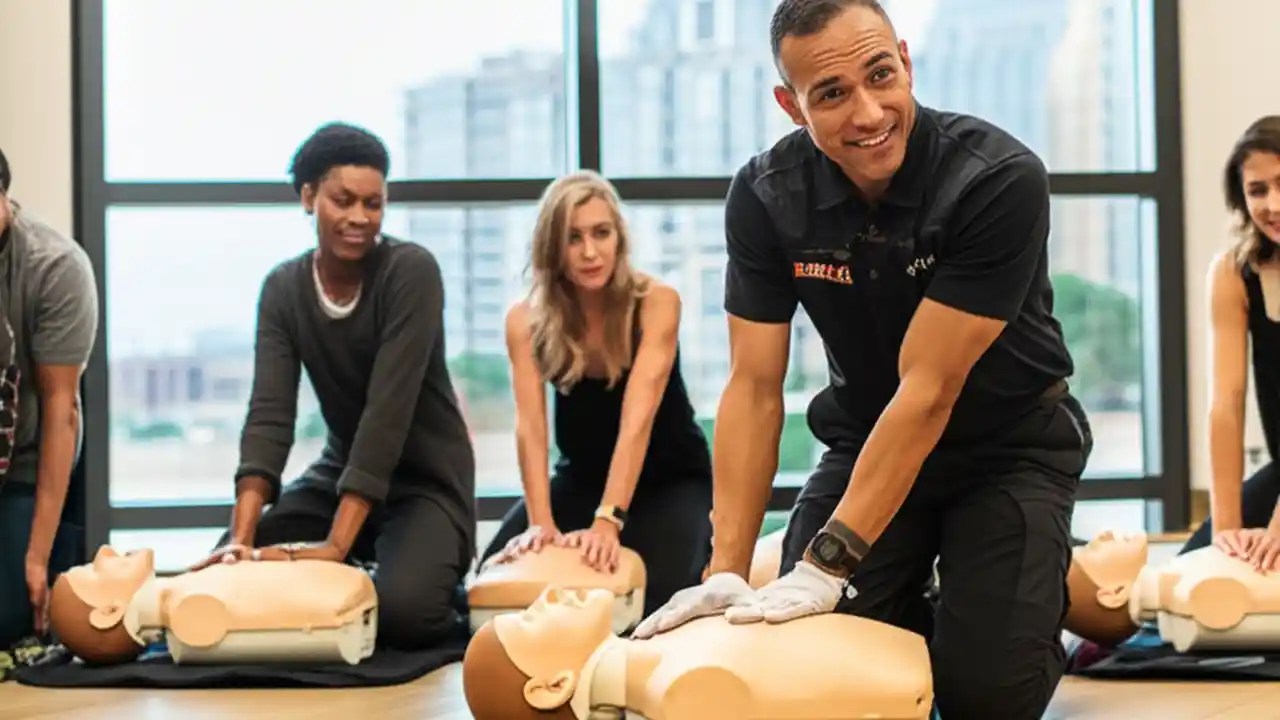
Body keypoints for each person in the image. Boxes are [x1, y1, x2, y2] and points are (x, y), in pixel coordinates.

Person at [633, 2, 1090, 718]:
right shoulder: (763, 195)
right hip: (865, 443)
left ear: (905, 62)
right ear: (791, 106)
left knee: (986, 696)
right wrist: (725, 569)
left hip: (1008, 450)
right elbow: (754, 388)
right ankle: (943, 594)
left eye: (881, 75)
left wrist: (829, 564)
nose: (869, 112)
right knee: (808, 671)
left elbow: (929, 390)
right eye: (832, 94)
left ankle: (1027, 588)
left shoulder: (997, 178)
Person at [188, 122, 476, 650]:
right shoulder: (283, 289)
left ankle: (408, 575)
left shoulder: (411, 272)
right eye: (343, 201)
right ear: (308, 197)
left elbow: (386, 417)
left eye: (374, 204)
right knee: (225, 582)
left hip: (425, 482)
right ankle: (364, 568)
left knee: (408, 617)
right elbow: (270, 416)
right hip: (339, 476)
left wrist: (333, 546)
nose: (359, 218)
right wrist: (241, 541)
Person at [479, 171, 713, 617]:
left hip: (670, 480)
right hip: (581, 479)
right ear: (552, 247)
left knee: (658, 600)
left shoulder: (656, 302)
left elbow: (637, 420)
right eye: (573, 238)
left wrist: (608, 521)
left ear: (618, 238)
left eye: (601, 233)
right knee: (492, 582)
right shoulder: (525, 320)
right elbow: (530, 427)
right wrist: (540, 522)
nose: (590, 252)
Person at [0, 146, 99, 652]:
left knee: (8, 613)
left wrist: (36, 558)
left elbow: (63, 412)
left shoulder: (54, 267)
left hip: (24, 463)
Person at [1181, 116, 1280, 570]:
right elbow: (1226, 403)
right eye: (1258, 189)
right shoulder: (1234, 273)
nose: (1272, 204)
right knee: (1191, 581)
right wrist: (1226, 530)